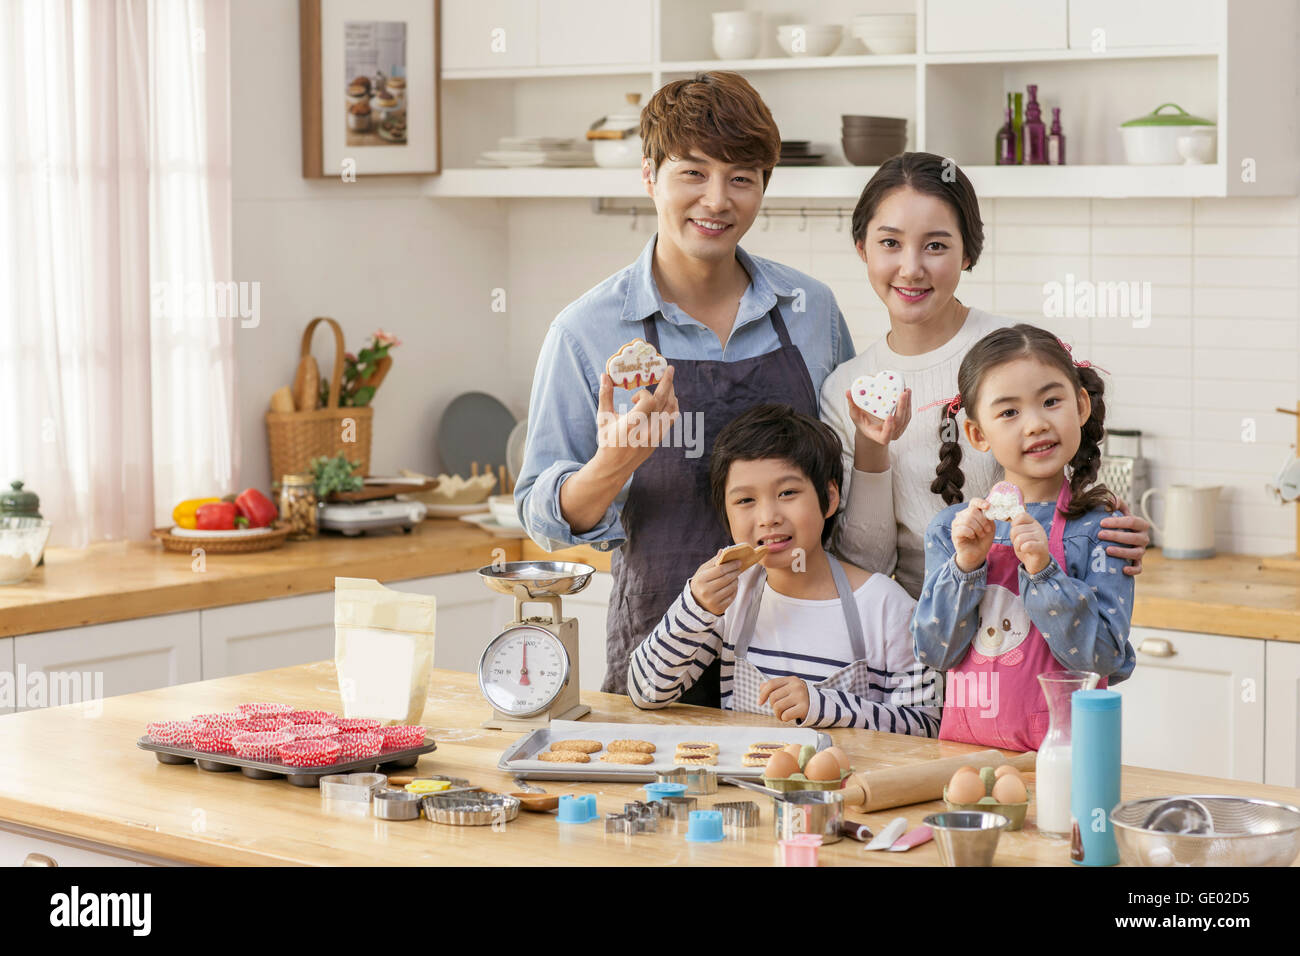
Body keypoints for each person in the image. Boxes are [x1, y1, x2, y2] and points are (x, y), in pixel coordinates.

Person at [515, 73, 855, 702]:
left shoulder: (812, 312)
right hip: (659, 661)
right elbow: (543, 516)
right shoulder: (585, 331)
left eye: (741, 178)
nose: (717, 200)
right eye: (693, 173)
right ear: (650, 175)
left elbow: (848, 479)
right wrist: (613, 465)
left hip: (802, 667)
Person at [820, 152, 1150, 601]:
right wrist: (872, 446)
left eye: (936, 245)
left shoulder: (1013, 350)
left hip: (1036, 613)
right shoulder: (848, 387)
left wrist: (1112, 530)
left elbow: (1067, 496)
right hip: (926, 632)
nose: (911, 268)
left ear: (968, 252)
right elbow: (869, 566)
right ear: (862, 248)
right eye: (890, 243)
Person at [627, 404, 941, 734]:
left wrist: (825, 707)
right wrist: (695, 606)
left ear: (829, 498)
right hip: (743, 784)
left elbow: (928, 726)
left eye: (787, 493)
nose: (767, 517)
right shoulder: (731, 597)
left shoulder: (884, 605)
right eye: (745, 500)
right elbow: (646, 692)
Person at [911, 324, 1137, 751]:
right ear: (978, 434)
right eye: (1009, 412)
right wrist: (965, 568)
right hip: (962, 754)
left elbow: (1105, 659)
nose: (1035, 424)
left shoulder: (1101, 530)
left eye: (1051, 401)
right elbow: (934, 653)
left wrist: (1044, 572)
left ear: (1081, 405)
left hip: (1070, 756)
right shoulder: (951, 529)